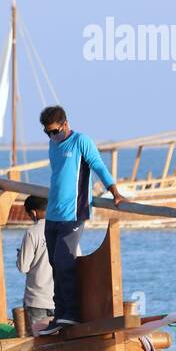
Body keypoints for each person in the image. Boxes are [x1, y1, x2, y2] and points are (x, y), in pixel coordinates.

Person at [38, 105, 128, 330]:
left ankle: (73, 312)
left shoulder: (81, 141)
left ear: (65, 124)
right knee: (53, 264)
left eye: (55, 131)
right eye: (47, 133)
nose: (52, 136)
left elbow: (98, 165)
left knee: (64, 260)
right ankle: (60, 314)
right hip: (52, 213)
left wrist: (114, 192)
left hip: (73, 212)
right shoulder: (53, 144)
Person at [16, 194, 55, 327]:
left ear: (33, 213)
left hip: (37, 299)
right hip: (62, 297)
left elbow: (23, 267)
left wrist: (19, 256)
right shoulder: (64, 229)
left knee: (39, 341)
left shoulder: (33, 232)